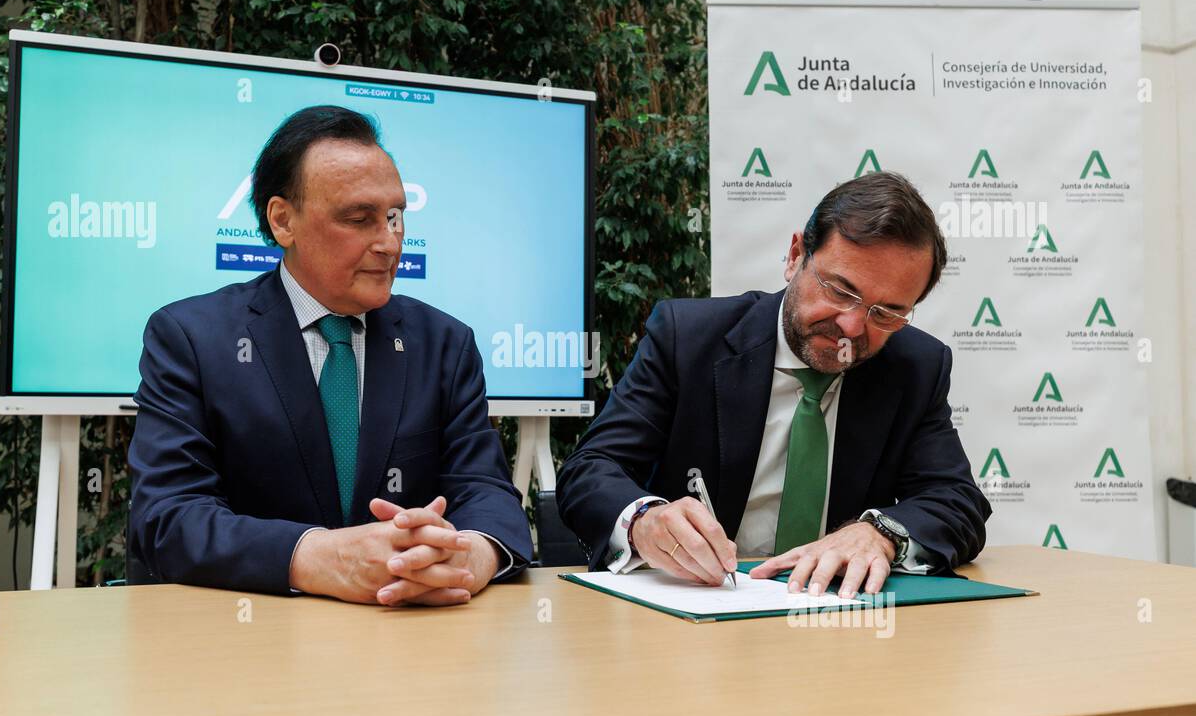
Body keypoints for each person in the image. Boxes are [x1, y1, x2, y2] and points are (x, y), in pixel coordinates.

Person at [128, 105, 531, 605]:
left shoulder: (444, 343)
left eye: (394, 216)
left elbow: (486, 493)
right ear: (283, 221)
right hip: (248, 645)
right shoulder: (191, 338)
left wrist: (468, 554)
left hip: (414, 644)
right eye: (359, 219)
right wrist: (319, 557)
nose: (389, 243)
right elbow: (167, 517)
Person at [557, 171, 990, 598]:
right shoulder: (687, 338)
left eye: (886, 313)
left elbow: (956, 500)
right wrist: (645, 521)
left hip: (835, 618)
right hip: (695, 613)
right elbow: (590, 469)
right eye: (840, 290)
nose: (851, 326)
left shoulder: (916, 366)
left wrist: (880, 533)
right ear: (796, 256)